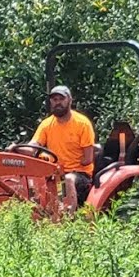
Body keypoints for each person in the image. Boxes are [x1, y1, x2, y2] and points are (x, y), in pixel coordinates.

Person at [24, 85, 95, 213]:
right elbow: (33, 146)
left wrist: (66, 164)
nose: (57, 102)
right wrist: (15, 149)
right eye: (54, 99)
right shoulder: (46, 124)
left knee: (69, 179)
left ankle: (68, 218)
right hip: (54, 173)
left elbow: (87, 159)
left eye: (61, 99)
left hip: (79, 173)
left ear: (69, 100)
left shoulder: (82, 123)